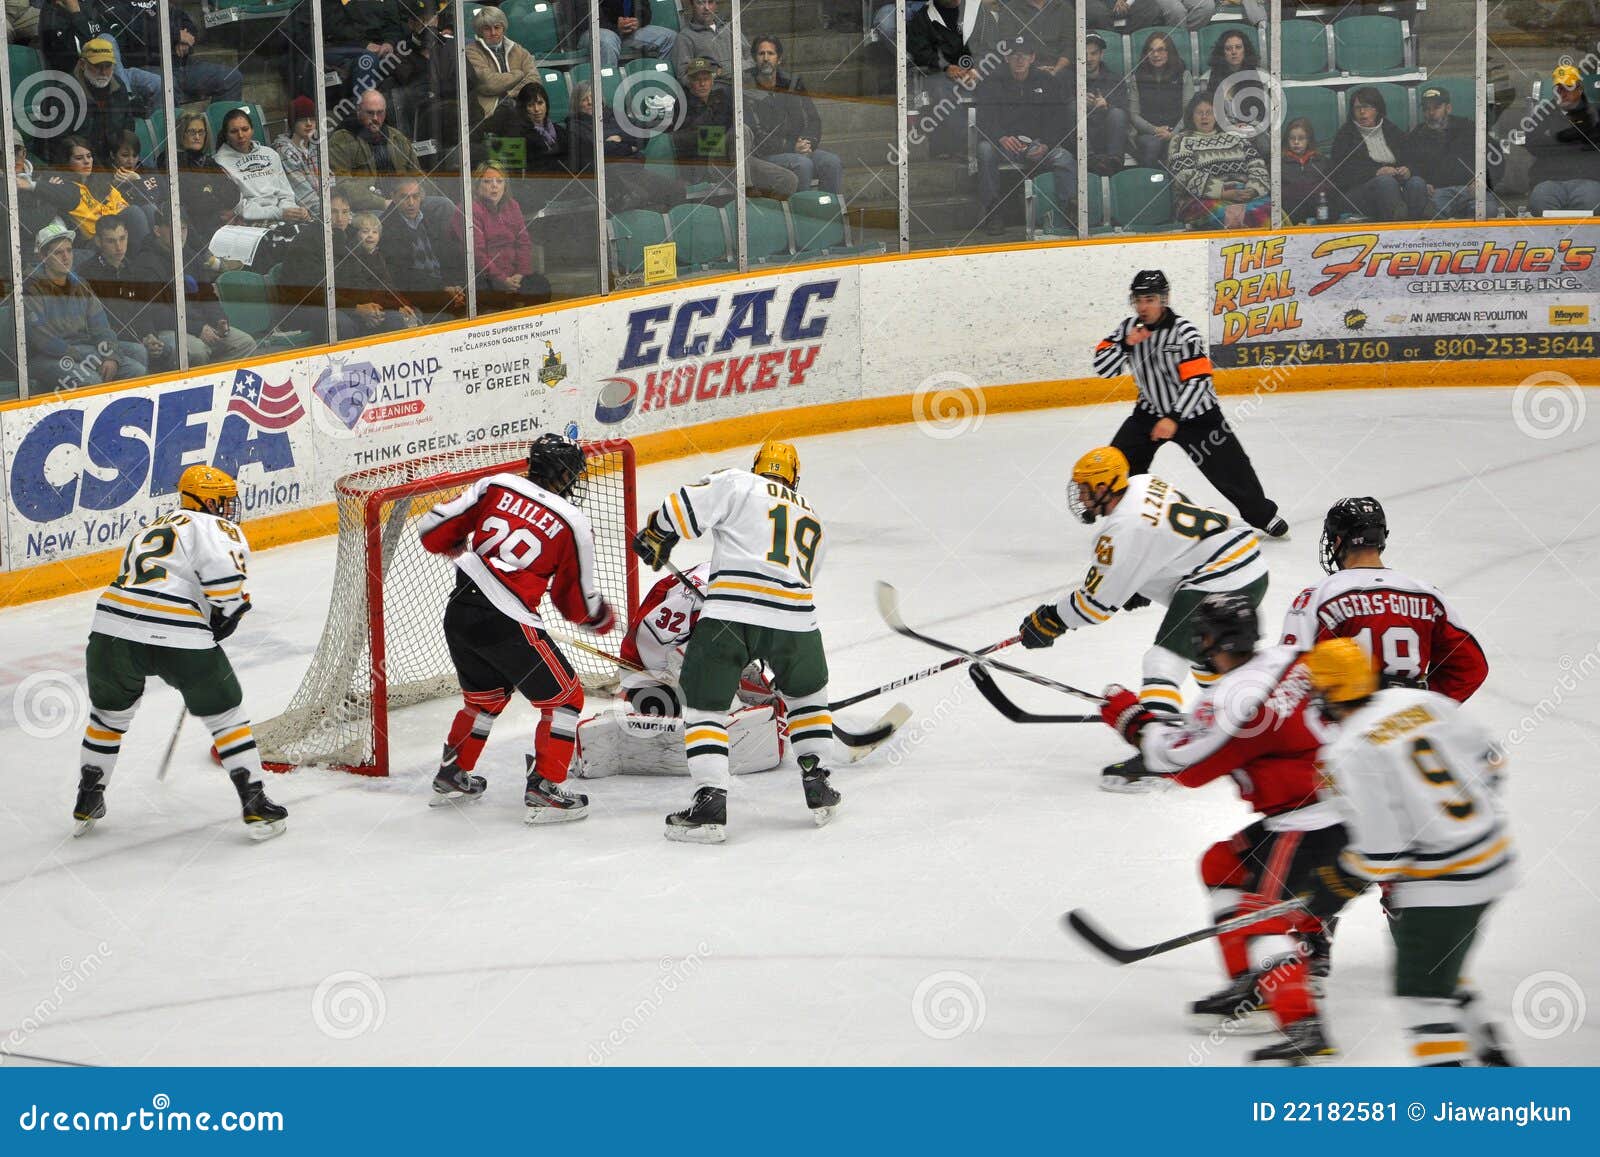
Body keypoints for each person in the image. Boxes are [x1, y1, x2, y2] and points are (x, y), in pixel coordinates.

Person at [1097, 593, 1346, 1062]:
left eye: (1205, 635)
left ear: (1219, 640)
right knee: (1222, 865)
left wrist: (1132, 721)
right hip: (1340, 806)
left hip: (1313, 820)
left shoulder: (1235, 698)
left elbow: (1183, 765)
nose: (1201, 644)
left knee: (1262, 917)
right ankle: (1251, 989)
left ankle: (1305, 1028)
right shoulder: (1290, 656)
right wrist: (1167, 726)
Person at [1299, 638, 1518, 1066]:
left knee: (1423, 1002)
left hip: (1444, 885)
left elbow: (1382, 855)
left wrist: (1333, 885)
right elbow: (1492, 759)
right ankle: (1494, 1063)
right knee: (1440, 970)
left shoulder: (1349, 749)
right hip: (1495, 859)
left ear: (1328, 693)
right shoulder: (1419, 700)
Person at [1018, 443, 1270, 788]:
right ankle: (1237, 728)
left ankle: (1160, 759)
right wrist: (1140, 583)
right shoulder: (1142, 483)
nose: (1079, 495)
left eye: (1084, 488)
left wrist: (1051, 620)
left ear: (1105, 487)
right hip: (1244, 557)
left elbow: (1094, 605)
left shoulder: (1120, 531)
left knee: (1163, 660)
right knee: (1203, 655)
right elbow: (1167, 538)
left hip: (1222, 573)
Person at [632, 441, 842, 843]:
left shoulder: (738, 482)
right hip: (795, 620)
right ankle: (818, 783)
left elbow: (681, 506)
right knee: (808, 698)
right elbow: (806, 574)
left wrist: (659, 534)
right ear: (794, 477)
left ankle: (710, 801)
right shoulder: (813, 516)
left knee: (704, 708)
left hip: (729, 615)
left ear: (758, 466)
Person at [73, 464, 287, 841]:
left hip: (112, 629)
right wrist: (229, 611)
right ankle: (255, 804)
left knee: (108, 717)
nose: (228, 508)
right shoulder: (215, 528)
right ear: (205, 500)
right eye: (222, 501)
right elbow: (224, 582)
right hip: (179, 634)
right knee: (227, 716)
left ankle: (88, 797)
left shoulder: (152, 527)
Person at [417, 434, 616, 823]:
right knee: (566, 700)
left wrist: (459, 550)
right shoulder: (571, 521)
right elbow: (574, 601)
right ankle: (545, 789)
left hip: (460, 610)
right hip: (507, 620)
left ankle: (453, 775)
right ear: (563, 474)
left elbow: (431, 529)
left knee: (484, 700)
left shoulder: (496, 484)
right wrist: (599, 617)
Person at [1092, 270, 1288, 536]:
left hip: (1197, 415)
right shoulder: (1128, 329)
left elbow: (1199, 382)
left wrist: (1173, 417)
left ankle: (1261, 514)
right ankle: (1123, 518)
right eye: (1138, 300)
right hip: (1148, 414)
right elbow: (1103, 367)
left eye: (1149, 299)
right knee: (1121, 464)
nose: (1143, 307)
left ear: (1164, 299)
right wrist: (1127, 345)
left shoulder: (1185, 332)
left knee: (1231, 468)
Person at [1279, 497, 1489, 701]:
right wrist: (1428, 702)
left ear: (1338, 542)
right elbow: (1470, 666)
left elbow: (1290, 673)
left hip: (1347, 726)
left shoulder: (1318, 596)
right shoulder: (1427, 595)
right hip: (1408, 726)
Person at [24, 220, 148, 389]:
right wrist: (88, 354)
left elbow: (101, 326)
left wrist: (110, 355)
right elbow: (42, 341)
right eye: (58, 253)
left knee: (137, 368)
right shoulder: (31, 288)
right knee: (91, 381)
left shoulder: (80, 284)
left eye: (69, 250)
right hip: (45, 358)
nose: (66, 257)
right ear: (43, 257)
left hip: (85, 349)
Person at [973, 32, 1075, 236]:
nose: (1020, 60)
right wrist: (1001, 137)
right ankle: (993, 211)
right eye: (1015, 55)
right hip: (1006, 145)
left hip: (1038, 145)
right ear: (1006, 58)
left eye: (1024, 55)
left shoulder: (1046, 80)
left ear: (1032, 58)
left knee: (1065, 158)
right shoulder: (993, 81)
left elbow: (1058, 119)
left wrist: (1046, 144)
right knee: (985, 150)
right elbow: (984, 117)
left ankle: (1072, 210)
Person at [671, 60, 798, 201]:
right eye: (697, 80)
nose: (702, 84)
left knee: (788, 180)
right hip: (708, 163)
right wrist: (711, 126)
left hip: (738, 157)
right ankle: (746, 188)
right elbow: (681, 140)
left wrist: (715, 128)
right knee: (740, 130)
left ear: (712, 81)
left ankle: (764, 212)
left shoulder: (723, 97)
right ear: (689, 82)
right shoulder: (682, 104)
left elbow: (740, 126)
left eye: (706, 79)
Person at [147, 207, 258, 366]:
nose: (180, 234)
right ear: (157, 231)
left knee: (245, 343)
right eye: (174, 229)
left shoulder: (191, 256)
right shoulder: (146, 263)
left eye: (183, 228)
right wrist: (198, 328)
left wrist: (219, 321)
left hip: (201, 324)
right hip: (168, 329)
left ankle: (219, 384)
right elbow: (159, 314)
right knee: (198, 351)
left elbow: (207, 294)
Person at [76, 213, 183, 372]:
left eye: (122, 238)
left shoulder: (132, 268)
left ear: (127, 236)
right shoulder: (87, 274)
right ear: (98, 242)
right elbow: (102, 320)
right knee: (141, 352)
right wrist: (141, 339)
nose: (119, 247)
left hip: (138, 336)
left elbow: (142, 309)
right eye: (111, 241)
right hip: (108, 341)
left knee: (175, 348)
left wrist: (149, 335)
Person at [745, 36, 844, 197]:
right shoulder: (746, 86)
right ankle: (799, 217)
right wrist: (791, 147)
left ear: (779, 59)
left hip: (797, 149)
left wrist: (807, 142)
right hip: (764, 156)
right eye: (761, 54)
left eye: (771, 53)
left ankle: (827, 214)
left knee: (831, 162)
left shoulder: (792, 82)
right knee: (802, 164)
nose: (766, 58)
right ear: (754, 59)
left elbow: (812, 119)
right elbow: (756, 135)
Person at [906, 0, 1004, 159]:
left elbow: (992, 48)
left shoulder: (979, 10)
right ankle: (967, 143)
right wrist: (946, 67)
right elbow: (920, 50)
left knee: (995, 87)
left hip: (979, 71)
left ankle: (991, 142)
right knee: (941, 91)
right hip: (942, 75)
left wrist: (977, 69)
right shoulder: (925, 15)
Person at [100, 0, 244, 104]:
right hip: (148, 66)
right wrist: (175, 35)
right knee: (168, 86)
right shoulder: (117, 5)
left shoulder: (159, 3)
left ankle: (220, 135)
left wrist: (184, 40)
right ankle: (170, 140)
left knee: (231, 78)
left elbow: (187, 22)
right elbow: (135, 32)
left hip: (181, 64)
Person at [1166, 93, 1271, 230]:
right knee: (1234, 214)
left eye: (1209, 112)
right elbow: (1184, 175)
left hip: (1243, 193)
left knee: (1272, 211)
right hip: (1201, 199)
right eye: (1199, 113)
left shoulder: (1235, 137)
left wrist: (1253, 190)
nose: (1204, 116)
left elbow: (1257, 165)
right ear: (1191, 116)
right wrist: (1222, 192)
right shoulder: (1181, 140)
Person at [1332, 86, 1428, 222]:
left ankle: (1417, 232)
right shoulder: (1345, 136)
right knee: (1385, 182)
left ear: (1377, 109)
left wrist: (1408, 170)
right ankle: (1396, 231)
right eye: (1357, 108)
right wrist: (1376, 172)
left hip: (1396, 185)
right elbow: (1341, 174)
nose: (1362, 112)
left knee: (1417, 183)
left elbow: (1414, 160)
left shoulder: (1392, 130)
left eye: (1367, 107)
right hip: (1357, 193)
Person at [379, 176, 468, 322]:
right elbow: (403, 275)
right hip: (417, 291)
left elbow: (447, 256)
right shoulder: (386, 227)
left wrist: (454, 285)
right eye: (405, 197)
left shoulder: (428, 218)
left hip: (442, 284)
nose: (411, 203)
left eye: (415, 196)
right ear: (393, 197)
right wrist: (443, 289)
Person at [213, 108, 314, 228]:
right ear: (226, 135)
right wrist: (279, 214)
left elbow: (286, 194)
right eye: (234, 131)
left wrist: (293, 211)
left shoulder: (270, 154)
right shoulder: (220, 162)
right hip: (251, 221)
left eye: (245, 129)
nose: (240, 135)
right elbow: (238, 207)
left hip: (282, 214)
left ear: (252, 130)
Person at [54, 37, 148, 165]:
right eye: (97, 66)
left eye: (108, 66)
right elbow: (57, 145)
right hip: (81, 167)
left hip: (112, 162)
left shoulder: (119, 87)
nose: (103, 72)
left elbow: (127, 127)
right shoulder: (64, 93)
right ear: (82, 64)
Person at [329, 90, 424, 212]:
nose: (375, 118)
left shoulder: (396, 137)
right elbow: (342, 184)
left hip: (405, 200)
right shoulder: (342, 139)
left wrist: (419, 197)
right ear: (359, 111)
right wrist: (381, 203)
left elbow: (418, 175)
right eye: (370, 113)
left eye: (380, 113)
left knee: (443, 205)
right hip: (368, 207)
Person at [472, 162, 551, 309]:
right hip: (486, 278)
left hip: (515, 275)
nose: (494, 186)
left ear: (505, 185)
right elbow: (477, 254)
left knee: (541, 286)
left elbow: (524, 242)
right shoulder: (469, 210)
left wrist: (520, 273)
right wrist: (502, 279)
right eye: (487, 181)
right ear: (477, 185)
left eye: (499, 181)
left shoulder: (512, 205)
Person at [1525, 64, 1600, 214]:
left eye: (1568, 87)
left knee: (1592, 204)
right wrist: (1575, 141)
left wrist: (1554, 141)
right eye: (1558, 88)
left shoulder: (1595, 113)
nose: (1563, 93)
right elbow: (1532, 143)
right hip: (1549, 180)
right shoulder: (1544, 113)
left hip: (1589, 179)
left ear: (1580, 89)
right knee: (1539, 201)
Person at [336, 212, 420, 337]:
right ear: (355, 234)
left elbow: (388, 285)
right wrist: (395, 307)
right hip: (369, 307)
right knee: (397, 319)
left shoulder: (378, 256)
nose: (370, 235)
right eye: (365, 231)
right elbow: (363, 290)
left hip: (384, 305)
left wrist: (403, 304)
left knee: (415, 312)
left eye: (374, 232)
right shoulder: (353, 257)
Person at [33, 136, 129, 240]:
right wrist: (52, 191)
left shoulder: (102, 183)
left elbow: (125, 209)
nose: (87, 161)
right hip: (96, 241)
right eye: (79, 158)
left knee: (138, 211)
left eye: (89, 156)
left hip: (120, 234)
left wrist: (138, 180)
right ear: (66, 162)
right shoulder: (65, 188)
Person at [1406, 86, 1479, 219]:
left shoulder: (1469, 128)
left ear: (1448, 108)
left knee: (1487, 211)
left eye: (1436, 108)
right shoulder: (1416, 135)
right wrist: (1423, 183)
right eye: (1427, 109)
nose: (1431, 113)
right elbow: (1409, 165)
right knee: (1432, 217)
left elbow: (1494, 157)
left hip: (1472, 190)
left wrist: (1485, 180)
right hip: (1438, 193)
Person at [464, 6, 539, 124]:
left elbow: (534, 81)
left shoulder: (519, 50)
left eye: (497, 27)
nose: (493, 33)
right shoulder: (471, 51)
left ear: (503, 28)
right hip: (489, 116)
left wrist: (508, 93)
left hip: (523, 109)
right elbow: (488, 83)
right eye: (487, 29)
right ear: (480, 31)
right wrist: (519, 74)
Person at [1129, 30, 1190, 169]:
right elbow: (1133, 115)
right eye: (1151, 51)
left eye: (1161, 50)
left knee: (1177, 146)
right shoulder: (1137, 77)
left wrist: (1172, 134)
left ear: (1169, 52)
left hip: (1177, 131)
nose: (1156, 55)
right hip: (1147, 134)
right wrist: (1155, 130)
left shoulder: (1184, 75)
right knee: (1153, 145)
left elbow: (1189, 111)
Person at [1082, 32, 1131, 174]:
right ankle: (1089, 158)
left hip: (1106, 135)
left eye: (1093, 53)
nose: (1088, 58)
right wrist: (1079, 102)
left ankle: (1114, 161)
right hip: (1080, 139)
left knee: (1117, 113)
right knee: (1073, 107)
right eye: (1084, 53)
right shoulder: (1068, 77)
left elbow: (1125, 112)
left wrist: (1107, 105)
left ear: (1101, 55)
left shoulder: (1115, 79)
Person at [583, 0, 677, 72]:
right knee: (608, 41)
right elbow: (583, 17)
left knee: (669, 38)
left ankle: (662, 89)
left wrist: (637, 21)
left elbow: (645, 10)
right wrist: (615, 26)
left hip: (624, 32)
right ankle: (608, 89)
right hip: (592, 31)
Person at [1280, 116, 1339, 224]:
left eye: (1301, 138)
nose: (1296, 142)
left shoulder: (1321, 160)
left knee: (1330, 207)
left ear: (1309, 140)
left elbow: (1332, 186)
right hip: (1292, 207)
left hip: (1318, 204)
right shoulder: (1279, 162)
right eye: (1292, 138)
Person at [672, 0, 748, 81]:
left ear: (716, 5)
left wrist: (725, 70)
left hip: (745, 86)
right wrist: (714, 74)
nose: (707, 8)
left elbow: (752, 58)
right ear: (692, 5)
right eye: (701, 3)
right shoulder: (685, 37)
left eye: (710, 2)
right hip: (716, 90)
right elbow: (683, 77)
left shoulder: (730, 28)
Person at [274, 96, 324, 218]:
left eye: (312, 119)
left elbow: (331, 181)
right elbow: (304, 197)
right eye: (302, 120)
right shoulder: (284, 151)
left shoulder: (316, 146)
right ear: (293, 123)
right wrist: (329, 212)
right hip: (307, 213)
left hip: (330, 207)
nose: (309, 124)